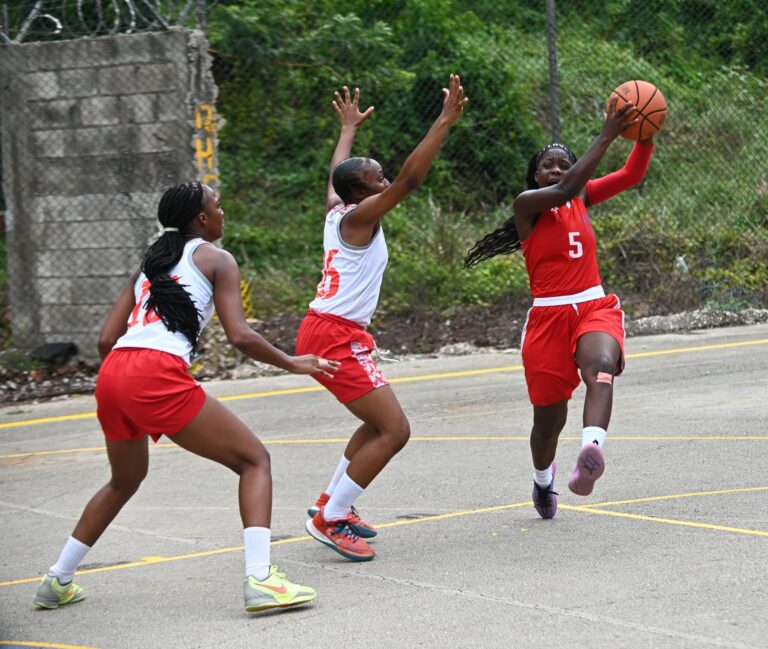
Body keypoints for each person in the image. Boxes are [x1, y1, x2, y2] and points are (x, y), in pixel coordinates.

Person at [33, 181, 339, 613]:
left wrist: (131, 377)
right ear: (201, 218)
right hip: (154, 373)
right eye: (218, 205)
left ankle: (57, 580)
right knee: (254, 460)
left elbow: (105, 339)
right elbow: (241, 335)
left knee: (123, 480)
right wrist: (293, 362)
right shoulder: (217, 259)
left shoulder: (150, 266)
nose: (222, 212)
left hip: (114, 373)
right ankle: (262, 580)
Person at [296, 76, 468, 561]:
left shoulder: (339, 208)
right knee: (395, 431)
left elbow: (337, 175)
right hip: (334, 334)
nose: (386, 180)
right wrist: (443, 121)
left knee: (376, 427)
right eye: (377, 178)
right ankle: (331, 520)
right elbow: (413, 180)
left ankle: (330, 504)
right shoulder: (359, 217)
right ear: (362, 193)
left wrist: (347, 130)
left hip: (329, 327)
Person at [464, 97, 656, 519]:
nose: (556, 169)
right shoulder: (528, 205)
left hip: (592, 306)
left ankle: (591, 451)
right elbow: (567, 187)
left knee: (601, 368)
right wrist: (607, 134)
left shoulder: (581, 196)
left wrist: (646, 135)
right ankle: (542, 481)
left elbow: (632, 173)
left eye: (562, 163)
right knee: (547, 423)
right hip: (548, 319)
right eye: (548, 165)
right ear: (536, 176)